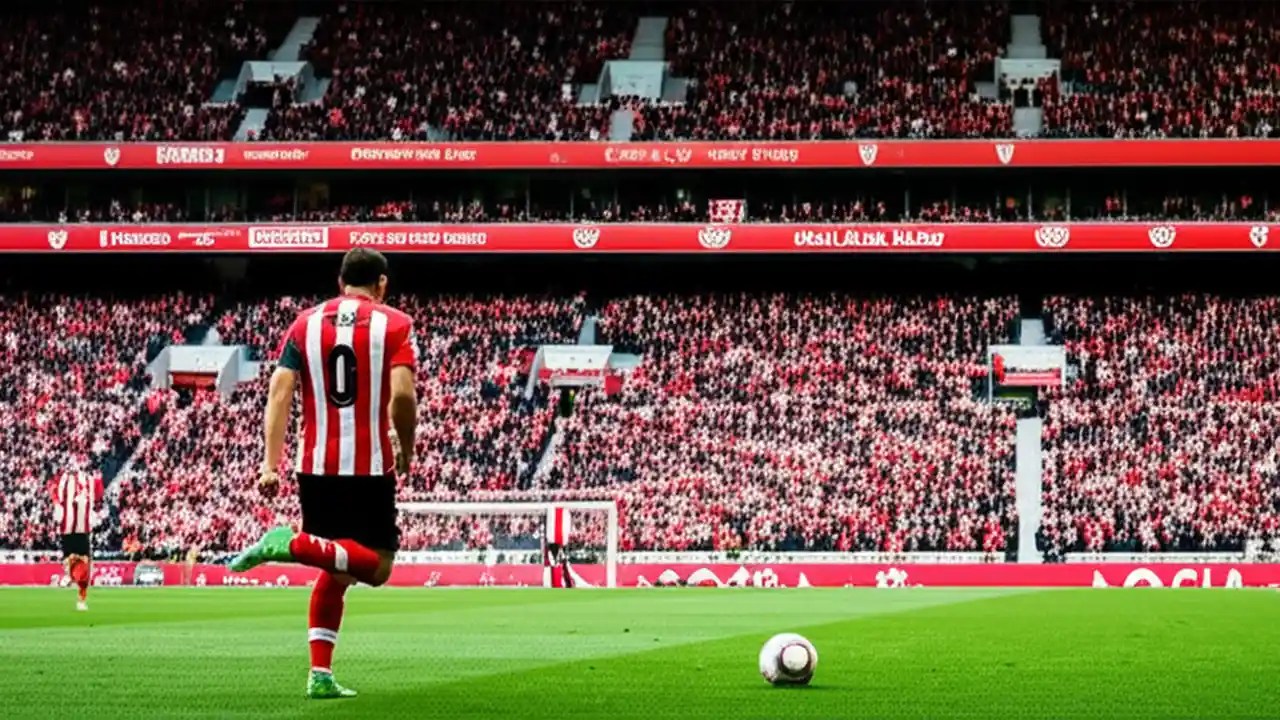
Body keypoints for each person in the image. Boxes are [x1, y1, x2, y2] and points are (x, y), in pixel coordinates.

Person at [229, 248, 418, 700]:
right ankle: (290, 544)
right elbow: (403, 395)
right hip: (369, 467)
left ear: (340, 282)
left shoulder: (303, 324)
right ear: (382, 284)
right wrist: (407, 448)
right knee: (379, 567)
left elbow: (279, 392)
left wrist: (270, 464)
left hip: (314, 466)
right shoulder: (396, 324)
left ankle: (319, 674)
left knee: (336, 568)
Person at [54, 462, 104, 611]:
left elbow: (99, 494)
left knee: (83, 565)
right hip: (72, 529)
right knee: (73, 560)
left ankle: (80, 596)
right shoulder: (64, 480)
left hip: (80, 530)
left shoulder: (87, 480)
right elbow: (54, 489)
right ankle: (70, 576)